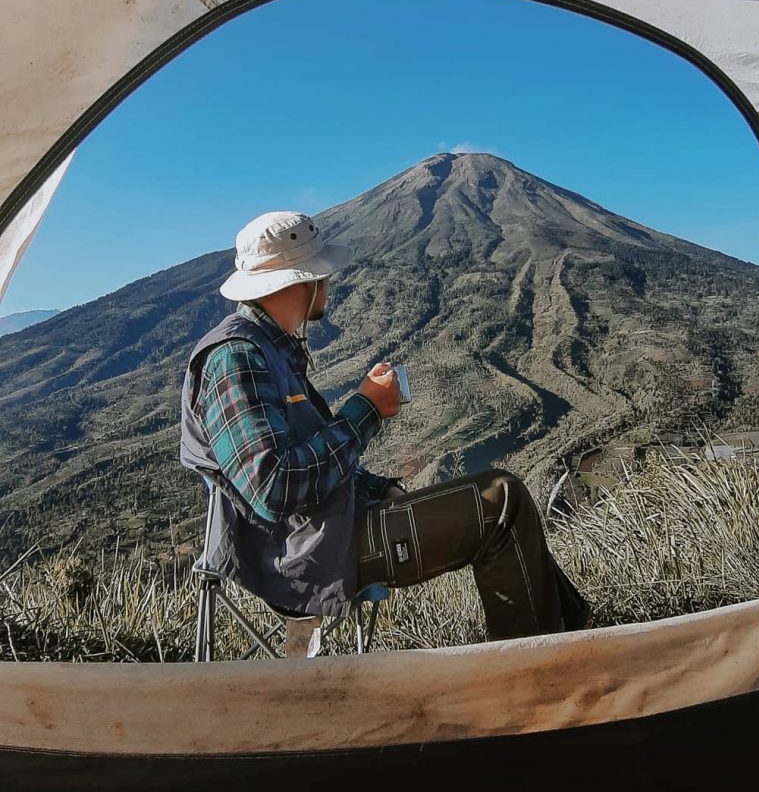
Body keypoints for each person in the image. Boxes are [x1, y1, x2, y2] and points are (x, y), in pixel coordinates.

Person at [180, 211, 590, 640]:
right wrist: (367, 409)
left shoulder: (271, 350)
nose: (329, 281)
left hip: (327, 531)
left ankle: (573, 640)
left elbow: (307, 461)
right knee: (502, 500)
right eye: (323, 272)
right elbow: (273, 488)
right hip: (306, 554)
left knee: (503, 500)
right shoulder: (236, 358)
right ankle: (538, 670)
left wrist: (381, 489)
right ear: (303, 281)